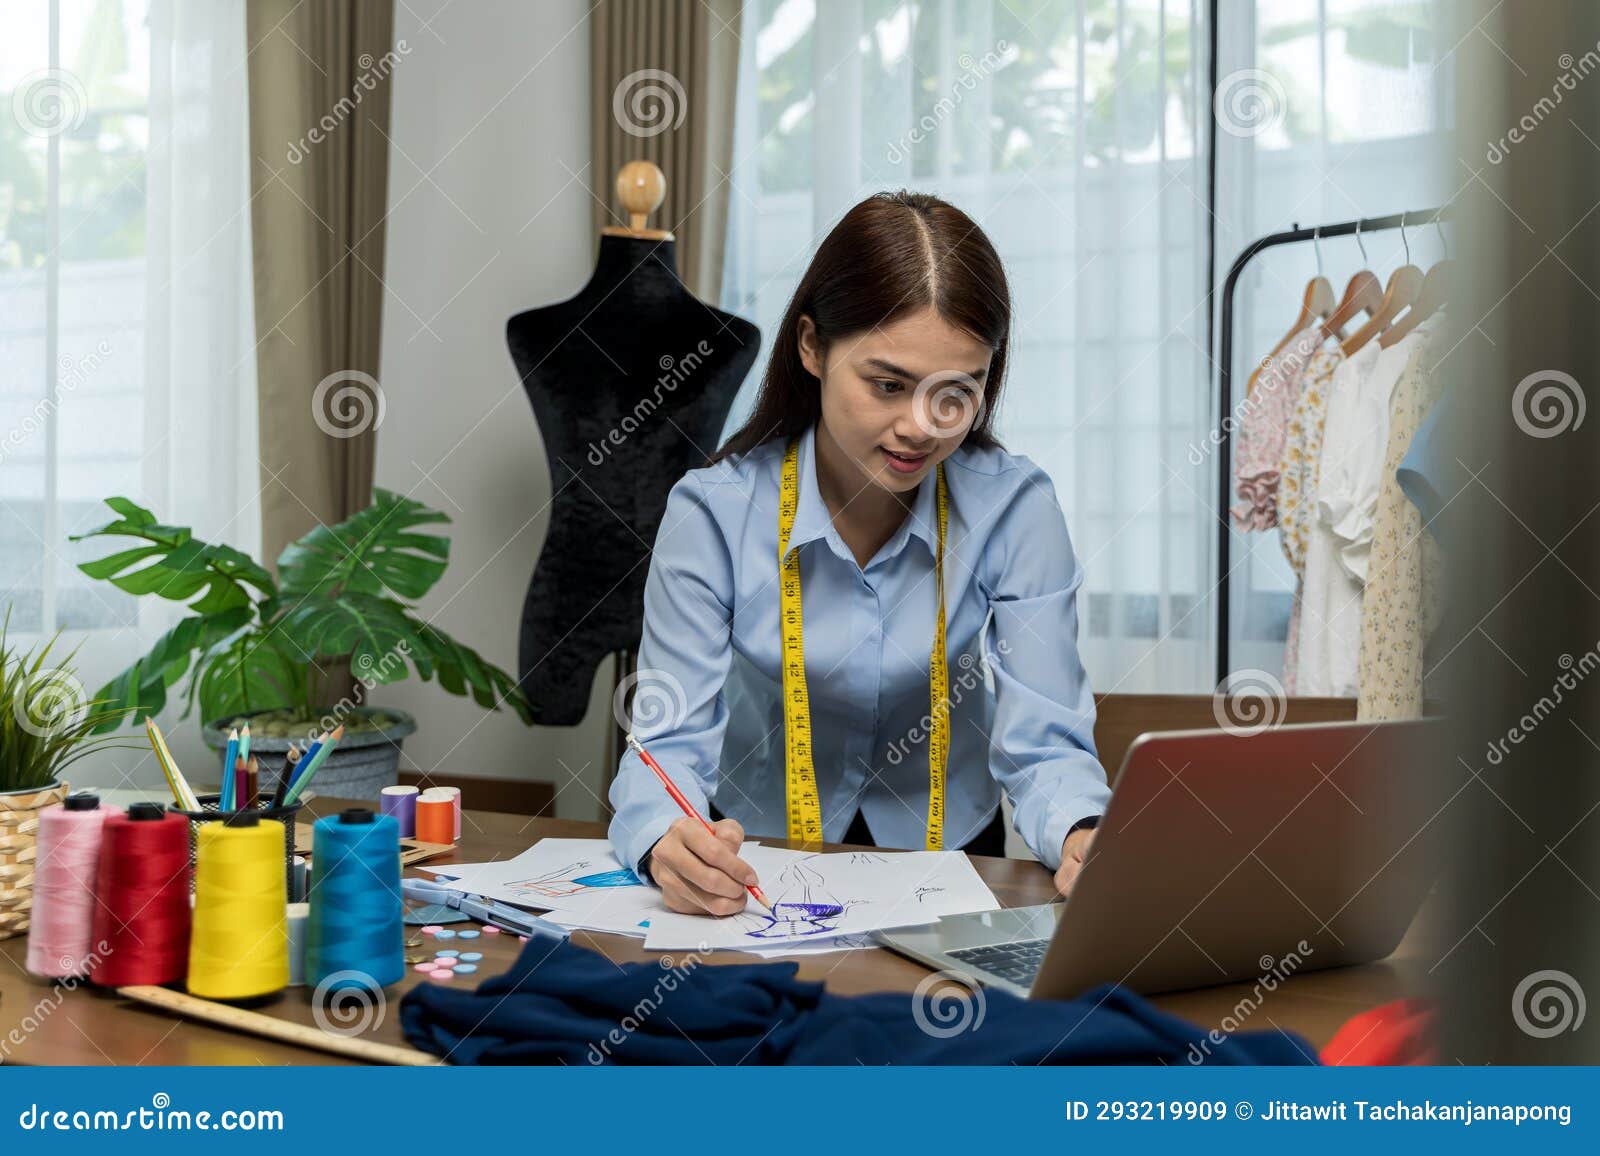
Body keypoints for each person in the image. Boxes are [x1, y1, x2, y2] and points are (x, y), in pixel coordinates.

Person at [607, 190, 1109, 917]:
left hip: (957, 849)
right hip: (757, 857)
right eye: (887, 385)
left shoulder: (1016, 509)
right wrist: (664, 837)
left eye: (956, 394)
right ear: (811, 346)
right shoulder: (712, 513)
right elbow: (669, 737)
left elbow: (1046, 741)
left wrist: (1081, 833)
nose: (920, 427)